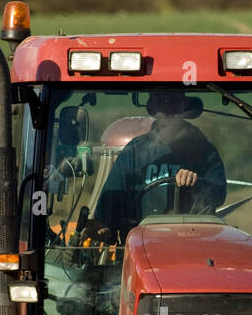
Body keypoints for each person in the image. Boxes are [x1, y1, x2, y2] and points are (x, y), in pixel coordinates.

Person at [86, 89, 226, 242]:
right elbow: (109, 206)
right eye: (161, 101)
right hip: (141, 245)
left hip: (192, 244)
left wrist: (197, 183)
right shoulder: (134, 152)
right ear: (151, 108)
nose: (168, 107)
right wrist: (103, 228)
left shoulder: (203, 150)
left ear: (184, 105)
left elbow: (218, 194)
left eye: (174, 100)